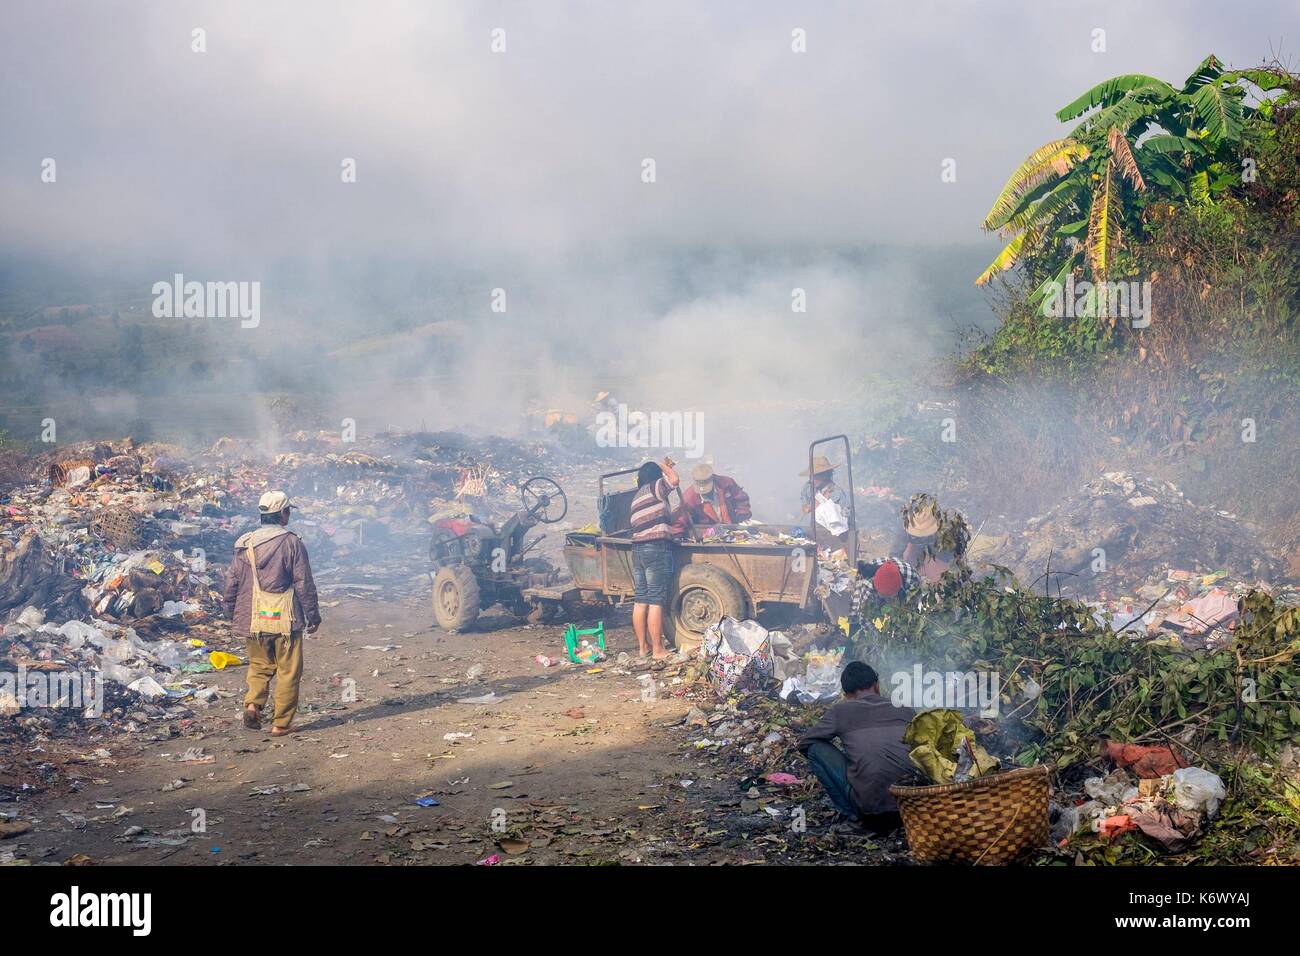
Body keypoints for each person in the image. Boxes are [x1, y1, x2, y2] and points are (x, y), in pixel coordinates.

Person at [222, 491, 321, 736]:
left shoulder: (244, 544)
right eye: (288, 510)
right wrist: (313, 615)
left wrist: (229, 611)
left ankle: (253, 704)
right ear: (283, 514)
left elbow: (232, 582)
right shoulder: (292, 543)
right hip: (284, 618)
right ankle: (281, 724)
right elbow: (303, 583)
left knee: (259, 665)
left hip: (253, 618)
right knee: (288, 670)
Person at [797, 661, 914, 829]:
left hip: (871, 812)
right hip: (912, 808)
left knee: (816, 749)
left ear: (846, 694)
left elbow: (805, 743)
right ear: (877, 685)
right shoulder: (905, 708)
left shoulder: (841, 711)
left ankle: (853, 817)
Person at [630, 458, 680, 659]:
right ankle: (659, 650)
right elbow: (674, 480)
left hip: (638, 550)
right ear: (656, 476)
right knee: (656, 601)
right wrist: (662, 465)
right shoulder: (655, 488)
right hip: (655, 548)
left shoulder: (636, 497)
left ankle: (643, 648)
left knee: (641, 600)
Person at [849, 556, 921, 629]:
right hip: (870, 572)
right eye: (883, 597)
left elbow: (913, 605)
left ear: (899, 588)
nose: (887, 601)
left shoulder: (912, 578)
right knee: (855, 619)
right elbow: (864, 619)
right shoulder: (867, 588)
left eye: (889, 597)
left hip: (898, 569)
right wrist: (876, 635)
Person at [677, 463, 752, 528]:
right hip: (708, 535)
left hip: (732, 527)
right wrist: (677, 535)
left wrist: (742, 513)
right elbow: (681, 518)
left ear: (712, 478)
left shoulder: (726, 483)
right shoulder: (689, 497)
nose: (705, 492)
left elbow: (741, 499)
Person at [800, 455, 851, 549]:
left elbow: (847, 513)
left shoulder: (836, 492)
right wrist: (809, 507)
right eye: (811, 476)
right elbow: (804, 506)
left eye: (816, 476)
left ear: (825, 475)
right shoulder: (808, 488)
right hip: (815, 530)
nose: (812, 479)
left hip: (834, 536)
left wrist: (830, 505)